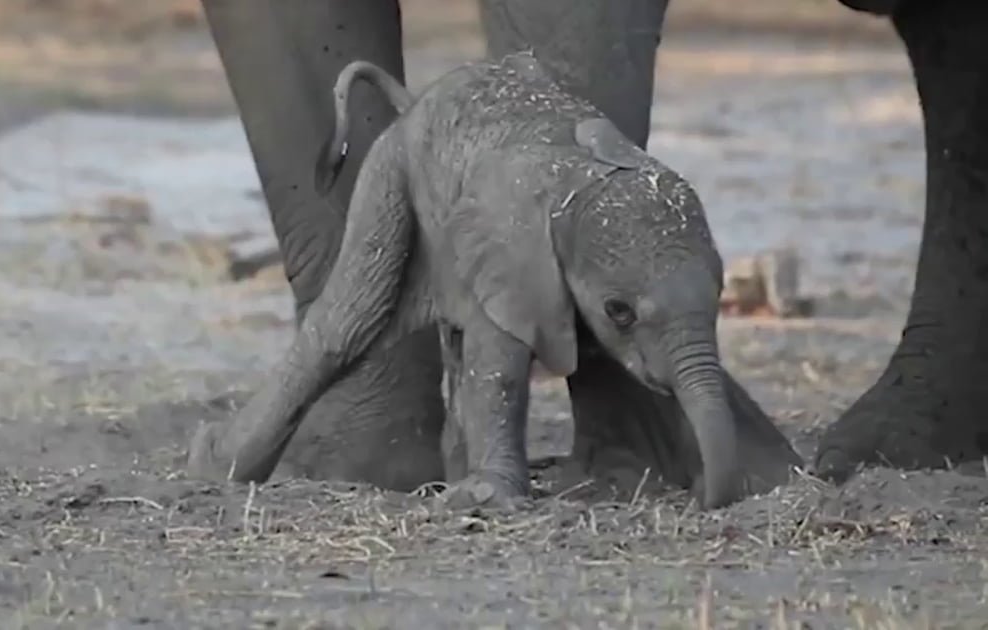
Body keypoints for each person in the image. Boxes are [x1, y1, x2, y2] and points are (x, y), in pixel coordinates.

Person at [199, 0, 988, 487]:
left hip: (511, 182)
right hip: (461, 173)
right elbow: (496, 356)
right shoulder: (508, 239)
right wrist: (500, 472)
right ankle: (358, 400)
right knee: (349, 328)